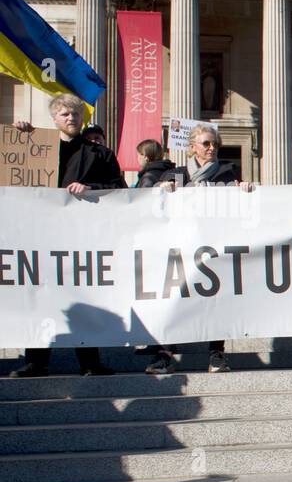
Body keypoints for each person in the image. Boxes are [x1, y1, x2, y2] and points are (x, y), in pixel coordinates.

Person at [9, 94, 125, 378]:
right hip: (40, 236)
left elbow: (119, 189)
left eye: (75, 114)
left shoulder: (101, 154)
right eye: (64, 114)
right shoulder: (35, 145)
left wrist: (90, 188)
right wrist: (17, 135)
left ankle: (89, 362)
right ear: (54, 119)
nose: (71, 118)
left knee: (84, 297)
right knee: (38, 296)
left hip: (81, 237)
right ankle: (36, 361)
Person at [144, 124, 252, 374]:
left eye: (214, 143)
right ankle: (164, 354)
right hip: (182, 249)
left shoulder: (228, 172)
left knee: (217, 301)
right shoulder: (176, 175)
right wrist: (160, 192)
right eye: (206, 144)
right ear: (192, 147)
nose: (212, 148)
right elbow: (153, 207)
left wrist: (245, 192)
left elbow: (241, 207)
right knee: (174, 301)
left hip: (215, 249)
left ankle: (216, 354)